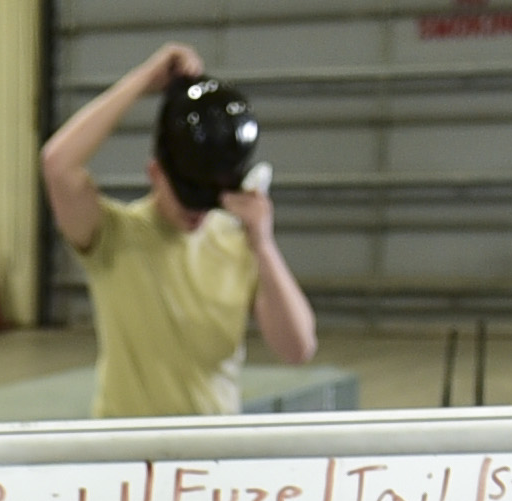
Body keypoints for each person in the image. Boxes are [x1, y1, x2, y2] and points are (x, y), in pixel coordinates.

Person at [41, 39, 319, 418]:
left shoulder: (238, 243)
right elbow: (58, 163)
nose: (198, 212)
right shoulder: (113, 236)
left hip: (209, 452)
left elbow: (298, 348)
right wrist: (144, 80)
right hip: (126, 453)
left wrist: (264, 245)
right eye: (188, 195)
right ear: (154, 172)